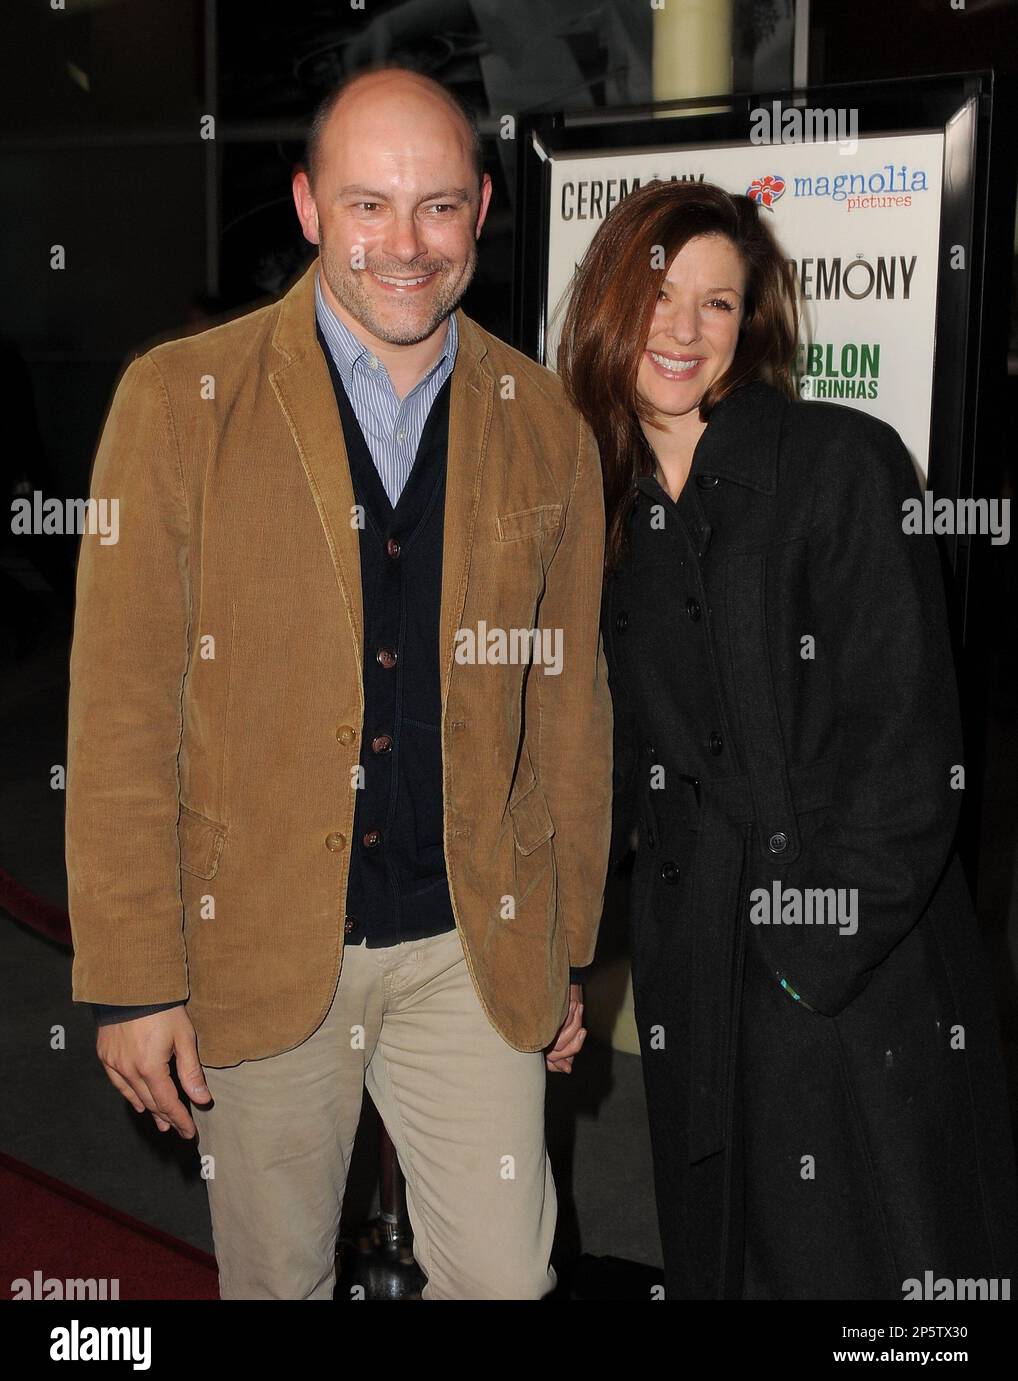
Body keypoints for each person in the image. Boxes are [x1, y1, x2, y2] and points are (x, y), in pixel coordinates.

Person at [66, 66, 613, 1300]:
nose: (404, 246)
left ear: (481, 209)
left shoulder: (546, 421)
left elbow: (569, 709)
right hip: (253, 944)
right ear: (310, 207)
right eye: (368, 205)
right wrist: (136, 977)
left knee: (509, 1284)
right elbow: (119, 709)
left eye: (435, 207)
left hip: (470, 948)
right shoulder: (176, 401)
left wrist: (566, 942)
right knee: (277, 1287)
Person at [558, 178, 1018, 1299]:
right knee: (734, 1258)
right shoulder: (600, 506)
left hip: (857, 977)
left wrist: (803, 972)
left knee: (883, 1270)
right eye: (660, 291)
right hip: (694, 976)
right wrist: (560, 951)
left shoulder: (841, 464)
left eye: (718, 304)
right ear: (607, 301)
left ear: (748, 326)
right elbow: (603, 761)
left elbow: (912, 759)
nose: (683, 327)